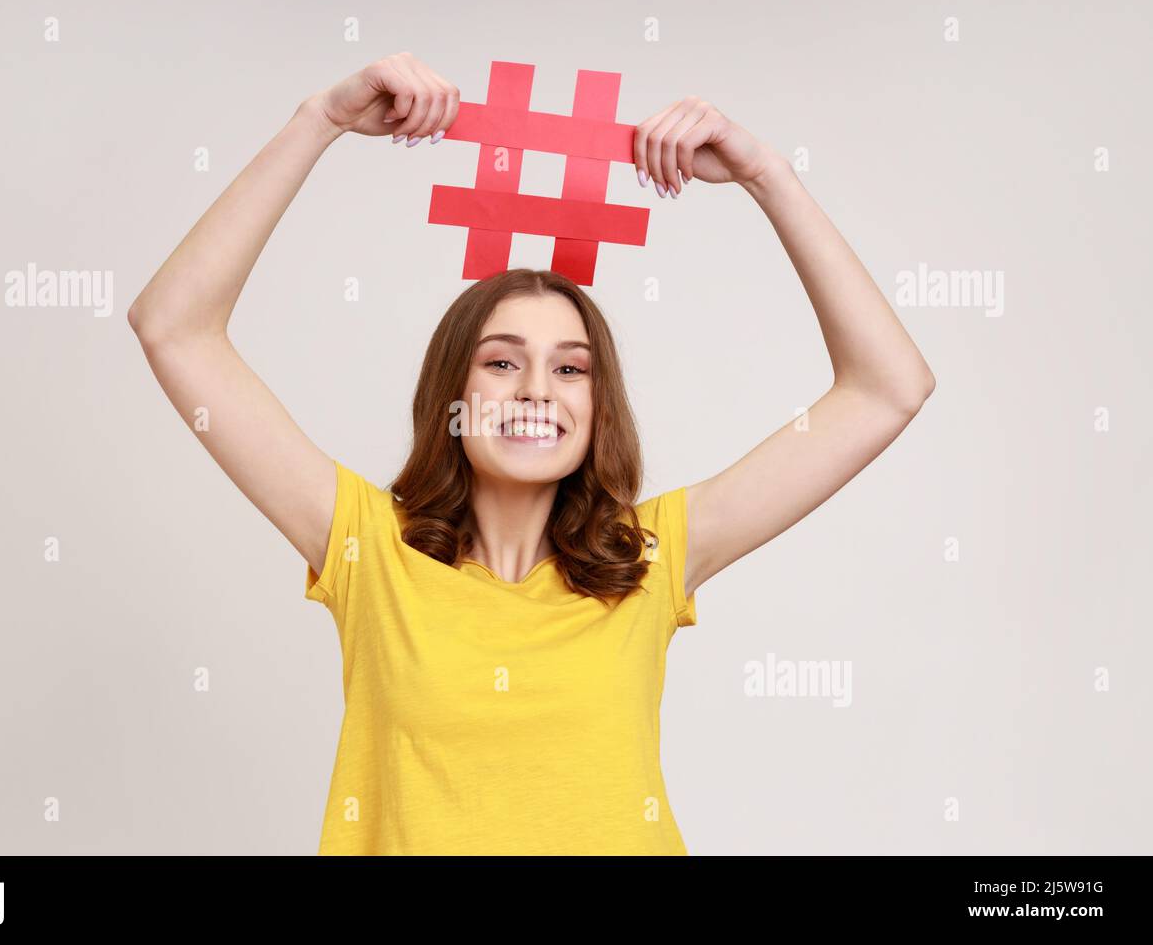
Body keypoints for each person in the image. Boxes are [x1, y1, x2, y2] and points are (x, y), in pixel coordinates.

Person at [127, 52, 935, 855]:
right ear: (454, 395)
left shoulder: (649, 558)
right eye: (502, 361)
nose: (537, 390)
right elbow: (173, 327)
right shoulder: (368, 548)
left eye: (571, 368)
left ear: (597, 408)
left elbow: (887, 388)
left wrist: (768, 175)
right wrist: (321, 121)